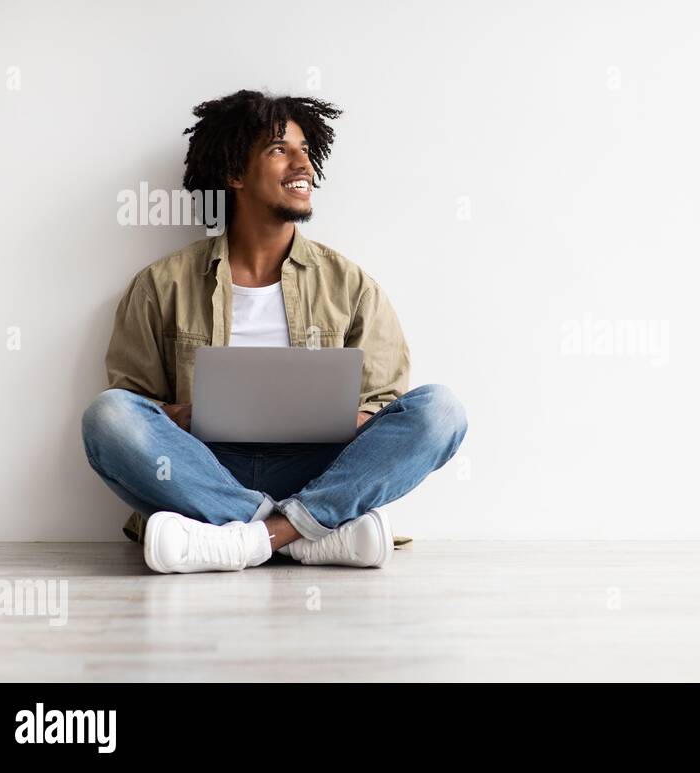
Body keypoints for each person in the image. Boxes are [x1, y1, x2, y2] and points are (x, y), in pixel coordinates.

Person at [81, 90, 467, 574]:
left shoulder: (351, 285)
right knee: (106, 416)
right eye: (280, 149)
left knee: (441, 410)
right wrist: (186, 415)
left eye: (306, 149)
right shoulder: (161, 284)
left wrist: (351, 418)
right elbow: (134, 405)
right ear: (235, 174)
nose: (302, 164)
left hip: (319, 470)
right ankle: (310, 534)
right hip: (208, 469)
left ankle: (249, 538)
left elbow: (386, 407)